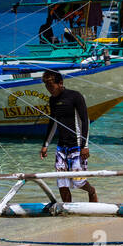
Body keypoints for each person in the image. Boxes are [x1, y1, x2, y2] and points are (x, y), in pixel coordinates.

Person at [39, 69, 98, 203]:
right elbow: (53, 122)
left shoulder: (75, 96)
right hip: (61, 147)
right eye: (47, 86)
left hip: (77, 146)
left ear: (60, 83)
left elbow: (85, 121)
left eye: (51, 86)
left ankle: (92, 191)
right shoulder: (52, 100)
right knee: (62, 182)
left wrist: (85, 146)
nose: (49, 89)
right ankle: (67, 212)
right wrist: (45, 145)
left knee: (79, 181)